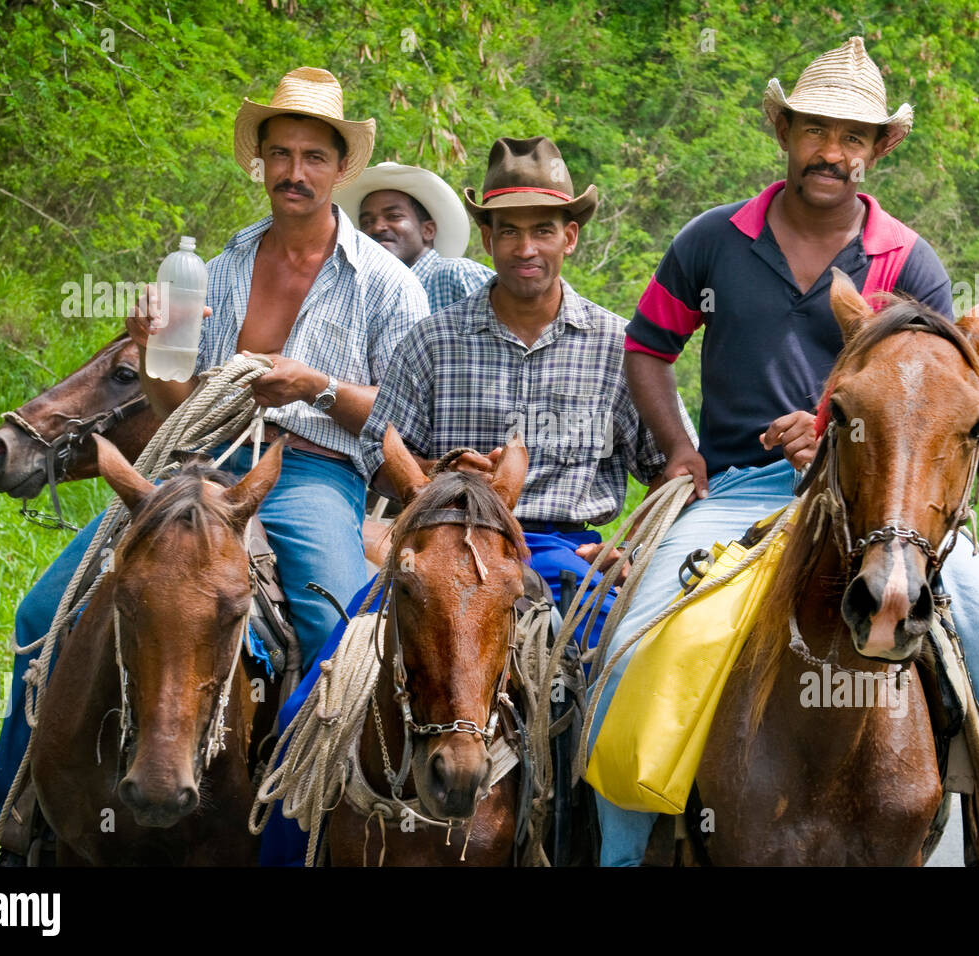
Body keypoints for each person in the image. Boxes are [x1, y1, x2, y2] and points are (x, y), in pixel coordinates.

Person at [588, 37, 979, 866]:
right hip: (740, 493)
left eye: (853, 137)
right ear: (785, 133)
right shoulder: (713, 240)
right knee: (635, 648)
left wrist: (836, 433)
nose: (831, 152)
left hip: (887, 506)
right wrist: (679, 452)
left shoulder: (912, 262)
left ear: (878, 151)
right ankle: (622, 857)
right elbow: (647, 347)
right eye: (815, 131)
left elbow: (938, 395)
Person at [0, 67, 430, 848]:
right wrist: (154, 353)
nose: (294, 172)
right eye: (279, 154)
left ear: (339, 169)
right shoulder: (217, 271)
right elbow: (170, 404)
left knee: (331, 628)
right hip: (196, 461)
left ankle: (314, 833)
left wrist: (316, 387)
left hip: (314, 471)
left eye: (312, 156)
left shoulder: (388, 288)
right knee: (44, 610)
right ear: (258, 161)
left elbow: (405, 430)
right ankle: (18, 823)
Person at [257, 135, 695, 865]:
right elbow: (377, 454)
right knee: (320, 695)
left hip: (560, 549)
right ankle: (287, 854)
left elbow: (668, 470)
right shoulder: (431, 342)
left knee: (611, 692)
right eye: (510, 230)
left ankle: (596, 849)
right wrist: (441, 470)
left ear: (571, 237)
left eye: (544, 229)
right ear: (487, 237)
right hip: (435, 549)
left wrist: (636, 549)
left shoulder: (619, 347)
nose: (527, 247)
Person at [336, 161, 495, 311]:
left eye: (394, 216)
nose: (377, 228)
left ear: (428, 230)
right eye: (367, 222)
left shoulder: (457, 274)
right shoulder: (367, 295)